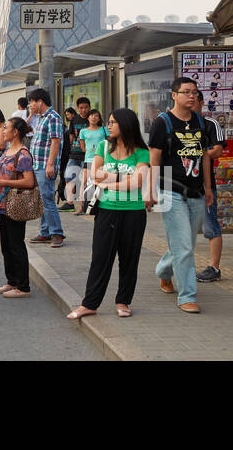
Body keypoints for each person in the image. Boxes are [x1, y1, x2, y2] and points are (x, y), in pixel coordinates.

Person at [69, 109, 152, 319]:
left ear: (126, 125)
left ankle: (123, 301)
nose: (110, 125)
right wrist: (122, 179)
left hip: (133, 212)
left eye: (114, 122)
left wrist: (110, 180)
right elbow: (94, 176)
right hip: (106, 211)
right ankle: (89, 304)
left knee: (129, 260)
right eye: (110, 121)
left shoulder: (142, 151)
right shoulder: (103, 147)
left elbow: (138, 182)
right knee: (100, 258)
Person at [149, 77, 214, 314]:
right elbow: (154, 158)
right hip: (170, 190)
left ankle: (163, 272)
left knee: (185, 243)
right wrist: (150, 190)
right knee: (184, 244)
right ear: (174, 95)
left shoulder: (200, 121)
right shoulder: (162, 122)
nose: (192, 96)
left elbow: (205, 155)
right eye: (186, 92)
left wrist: (208, 188)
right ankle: (187, 295)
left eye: (195, 92)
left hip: (196, 191)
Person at [0, 116, 37, 298]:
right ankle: (12, 281)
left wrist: (1, 181)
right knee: (6, 245)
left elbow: (29, 181)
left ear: (15, 132)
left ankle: (23, 287)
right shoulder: (8, 150)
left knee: (16, 245)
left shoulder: (22, 154)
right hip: (2, 203)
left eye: (6, 128)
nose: (3, 131)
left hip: (15, 204)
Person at [27, 88, 65, 247]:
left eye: (31, 102)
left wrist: (50, 164)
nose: (30, 105)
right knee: (43, 199)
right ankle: (45, 232)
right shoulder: (41, 117)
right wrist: (30, 115)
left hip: (45, 165)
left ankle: (57, 233)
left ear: (39, 101)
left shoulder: (53, 117)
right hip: (38, 164)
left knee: (47, 199)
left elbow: (55, 142)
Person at [196, 107, 227, 284]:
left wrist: (200, 154)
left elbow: (218, 150)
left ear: (200, 103)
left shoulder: (210, 124)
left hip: (205, 183)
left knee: (210, 224)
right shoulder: (176, 124)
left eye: (193, 96)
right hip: (181, 184)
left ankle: (214, 267)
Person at [76, 109, 108, 214]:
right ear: (88, 118)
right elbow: (83, 147)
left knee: (101, 182)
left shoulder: (104, 129)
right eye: (91, 116)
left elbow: (109, 143)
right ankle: (81, 207)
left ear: (99, 118)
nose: (93, 118)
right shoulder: (83, 131)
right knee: (84, 182)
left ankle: (100, 206)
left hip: (103, 160)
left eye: (96, 116)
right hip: (89, 159)